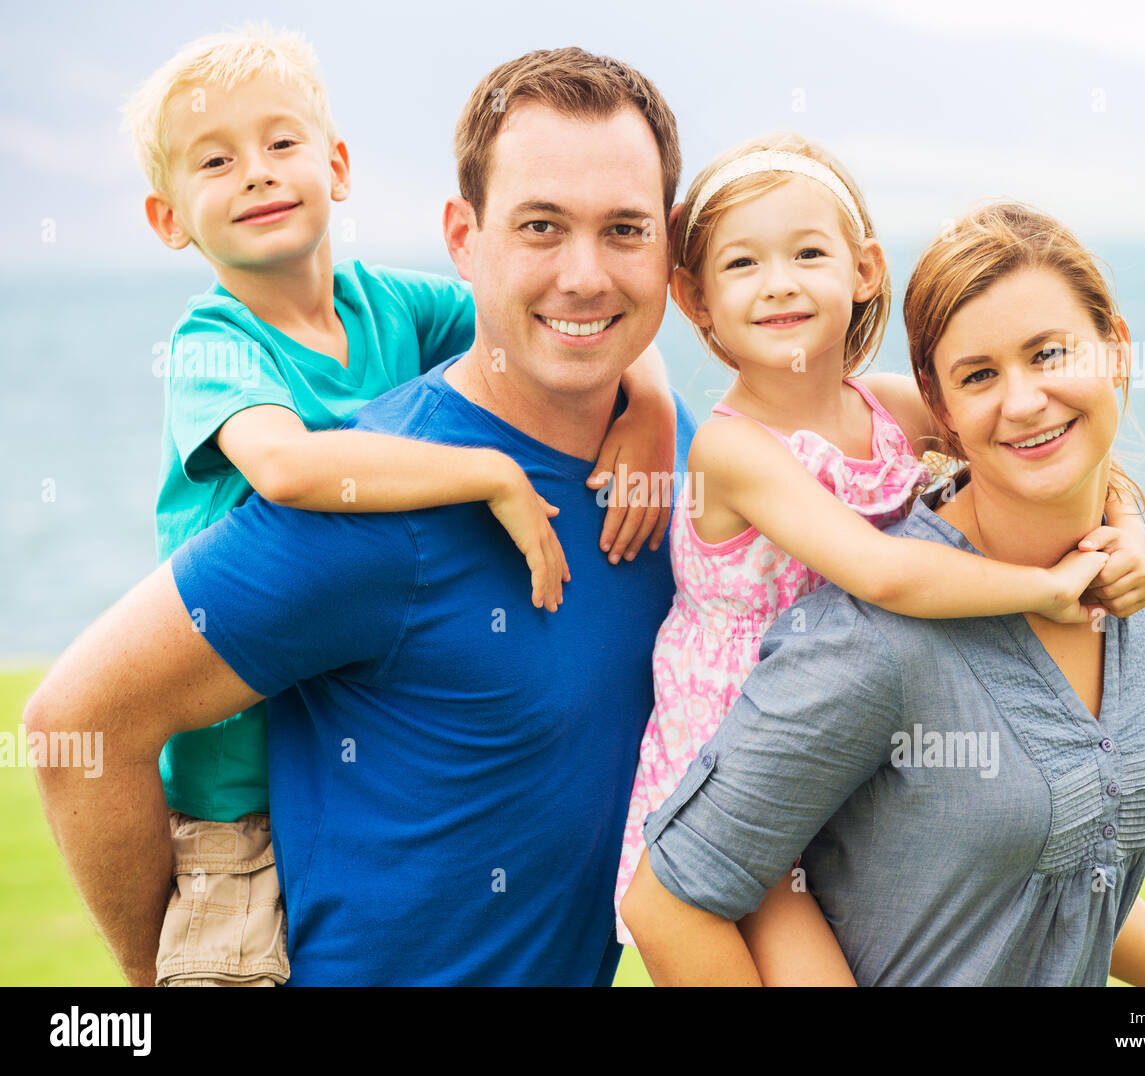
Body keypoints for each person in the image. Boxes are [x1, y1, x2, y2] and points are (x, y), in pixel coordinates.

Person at [26, 46, 695, 986]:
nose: (583, 273)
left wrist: (654, 407)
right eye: (540, 226)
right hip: (232, 829)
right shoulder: (356, 500)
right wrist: (152, 974)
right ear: (464, 238)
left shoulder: (692, 475)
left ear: (670, 245)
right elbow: (73, 727)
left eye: (623, 230)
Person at [622, 202, 1145, 987]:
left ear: (1118, 351)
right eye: (980, 376)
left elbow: (1056, 868)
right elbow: (668, 899)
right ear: (941, 410)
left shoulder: (1134, 573)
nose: (1025, 400)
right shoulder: (872, 641)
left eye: (1049, 353)